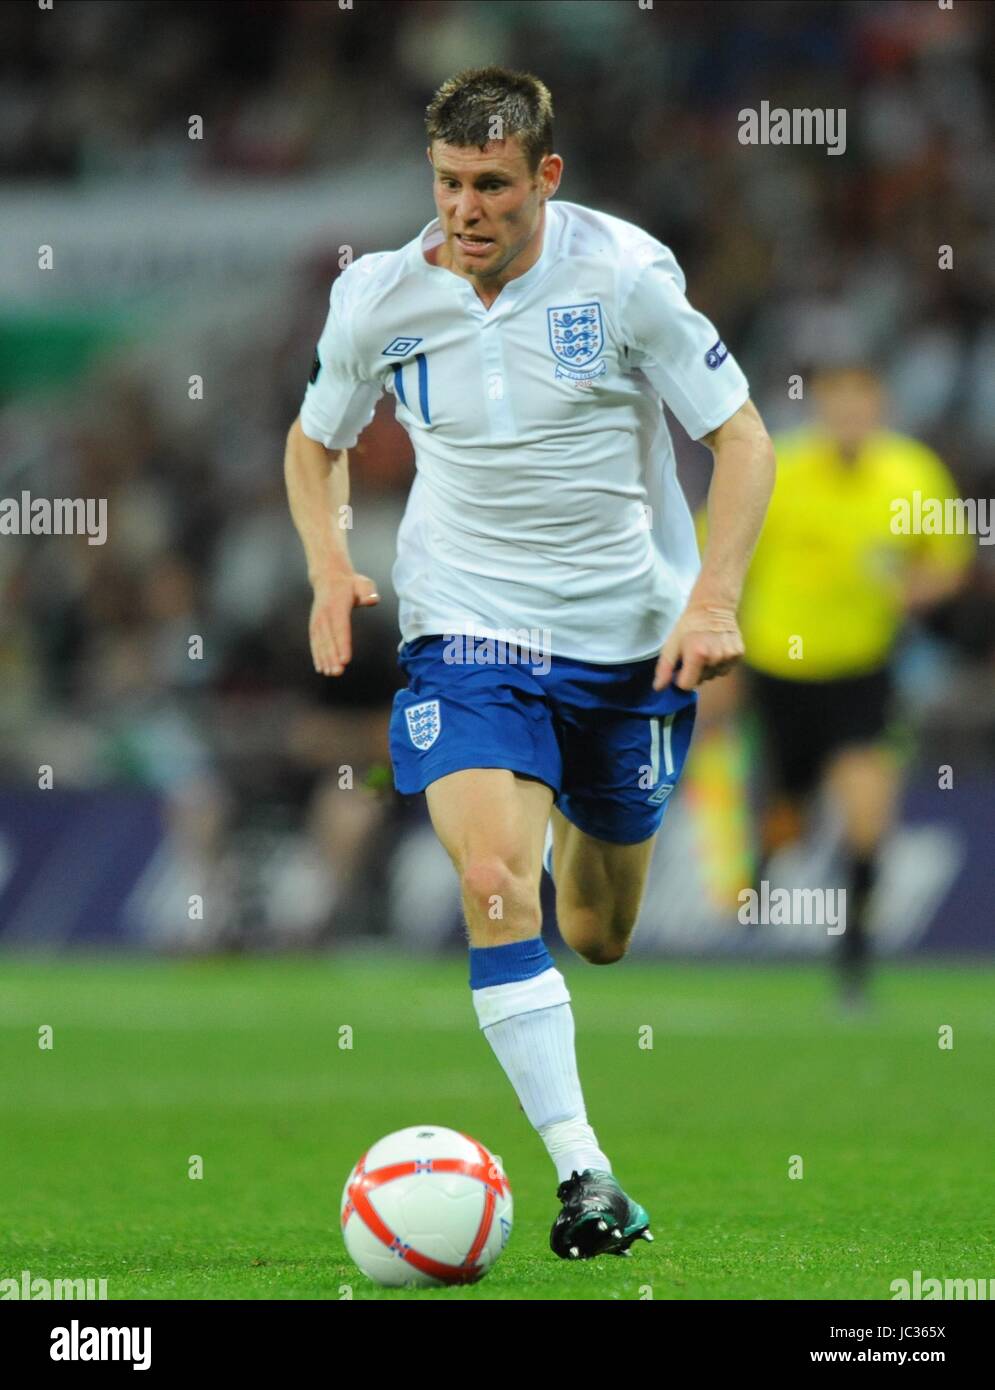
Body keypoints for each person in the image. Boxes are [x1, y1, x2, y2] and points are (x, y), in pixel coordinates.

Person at [285, 67, 775, 1262]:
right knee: (496, 882)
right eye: (449, 183)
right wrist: (327, 564)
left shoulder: (624, 277)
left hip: (627, 646)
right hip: (467, 634)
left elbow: (741, 437)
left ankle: (568, 796)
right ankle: (585, 1174)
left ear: (544, 177)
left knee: (598, 929)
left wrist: (712, 601)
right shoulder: (377, 297)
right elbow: (315, 443)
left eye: (492, 185)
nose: (467, 208)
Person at [709, 362, 972, 1008]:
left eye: (862, 402)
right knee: (790, 816)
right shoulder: (781, 471)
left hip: (862, 671)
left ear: (879, 406)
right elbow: (721, 553)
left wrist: (914, 590)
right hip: (779, 670)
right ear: (819, 407)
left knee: (865, 815)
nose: (850, 415)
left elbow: (948, 562)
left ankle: (852, 965)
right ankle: (765, 861)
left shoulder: (911, 475)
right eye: (837, 402)